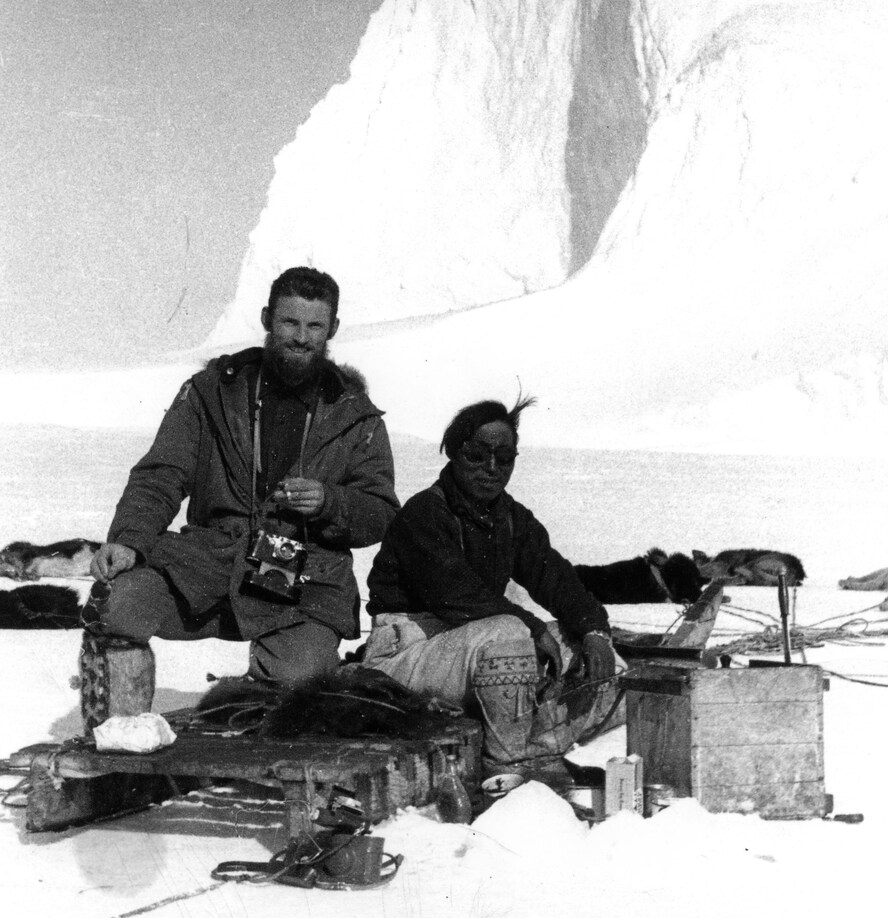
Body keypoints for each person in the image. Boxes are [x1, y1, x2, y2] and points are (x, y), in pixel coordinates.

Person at [79, 266, 399, 730]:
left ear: (332, 329)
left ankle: (261, 709)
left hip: (299, 572)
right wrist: (128, 540)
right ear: (268, 318)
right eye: (290, 322)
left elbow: (381, 512)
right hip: (208, 560)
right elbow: (161, 475)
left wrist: (331, 503)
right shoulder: (212, 392)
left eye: (314, 326)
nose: (301, 338)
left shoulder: (356, 417)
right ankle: (114, 745)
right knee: (118, 606)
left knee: (303, 680)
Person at [363, 395, 624, 769]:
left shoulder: (510, 517)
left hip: (473, 647)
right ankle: (509, 760)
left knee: (597, 655)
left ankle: (538, 744)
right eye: (476, 456)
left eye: (504, 459)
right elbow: (456, 595)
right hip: (407, 654)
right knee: (507, 634)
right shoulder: (424, 514)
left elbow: (557, 578)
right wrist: (533, 628)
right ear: (453, 453)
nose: (491, 468)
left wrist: (595, 632)